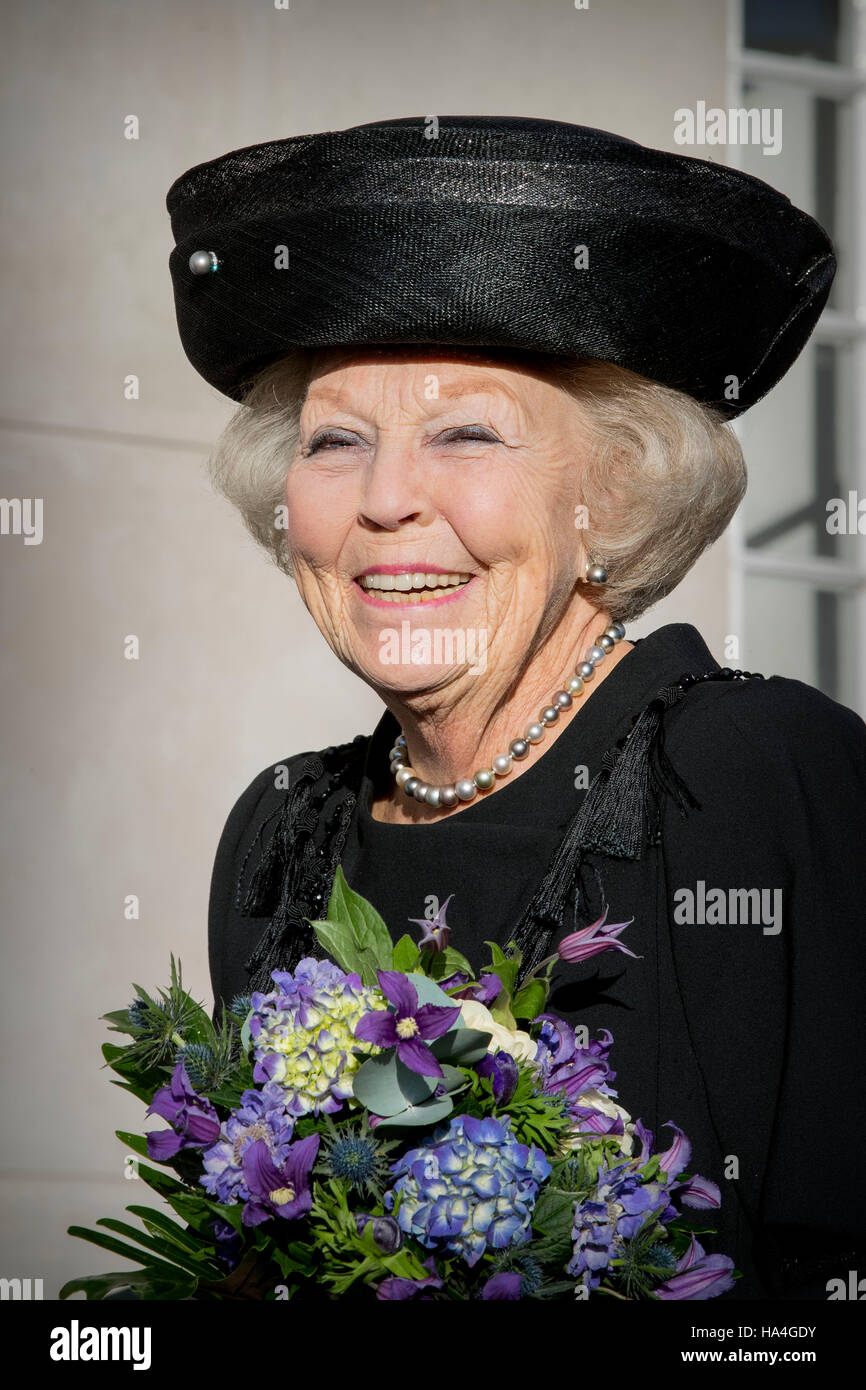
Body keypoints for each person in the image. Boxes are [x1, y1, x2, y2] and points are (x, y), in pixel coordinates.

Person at [166, 115, 866, 1301]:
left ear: (613, 493)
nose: (385, 500)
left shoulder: (755, 767)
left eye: (465, 433)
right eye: (335, 441)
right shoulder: (277, 829)